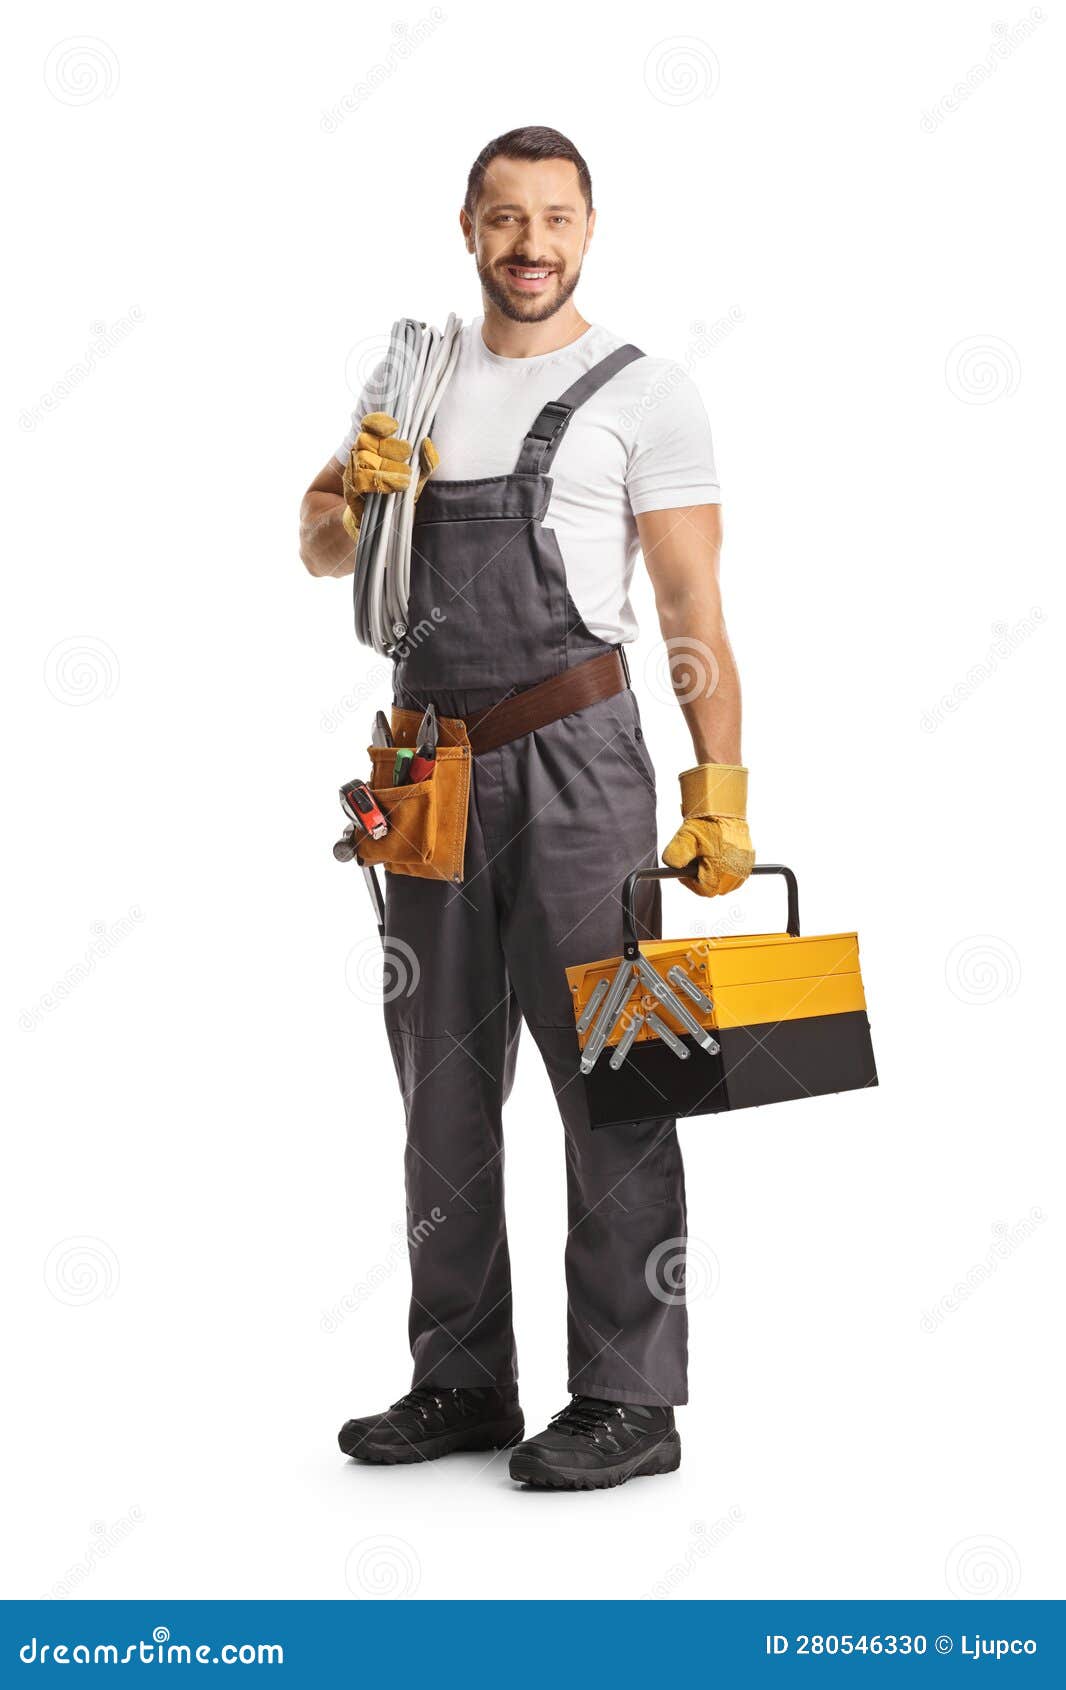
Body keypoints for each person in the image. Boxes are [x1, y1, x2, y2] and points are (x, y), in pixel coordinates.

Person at [299, 126, 754, 1490]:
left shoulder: (645, 393)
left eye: (554, 218)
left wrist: (716, 789)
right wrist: (350, 490)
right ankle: (460, 1377)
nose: (530, 245)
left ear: (589, 229)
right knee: (439, 1083)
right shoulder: (413, 381)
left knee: (619, 1076)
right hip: (425, 772)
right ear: (467, 227)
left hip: (586, 763)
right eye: (505, 218)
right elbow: (319, 545)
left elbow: (689, 607)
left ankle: (629, 1397)